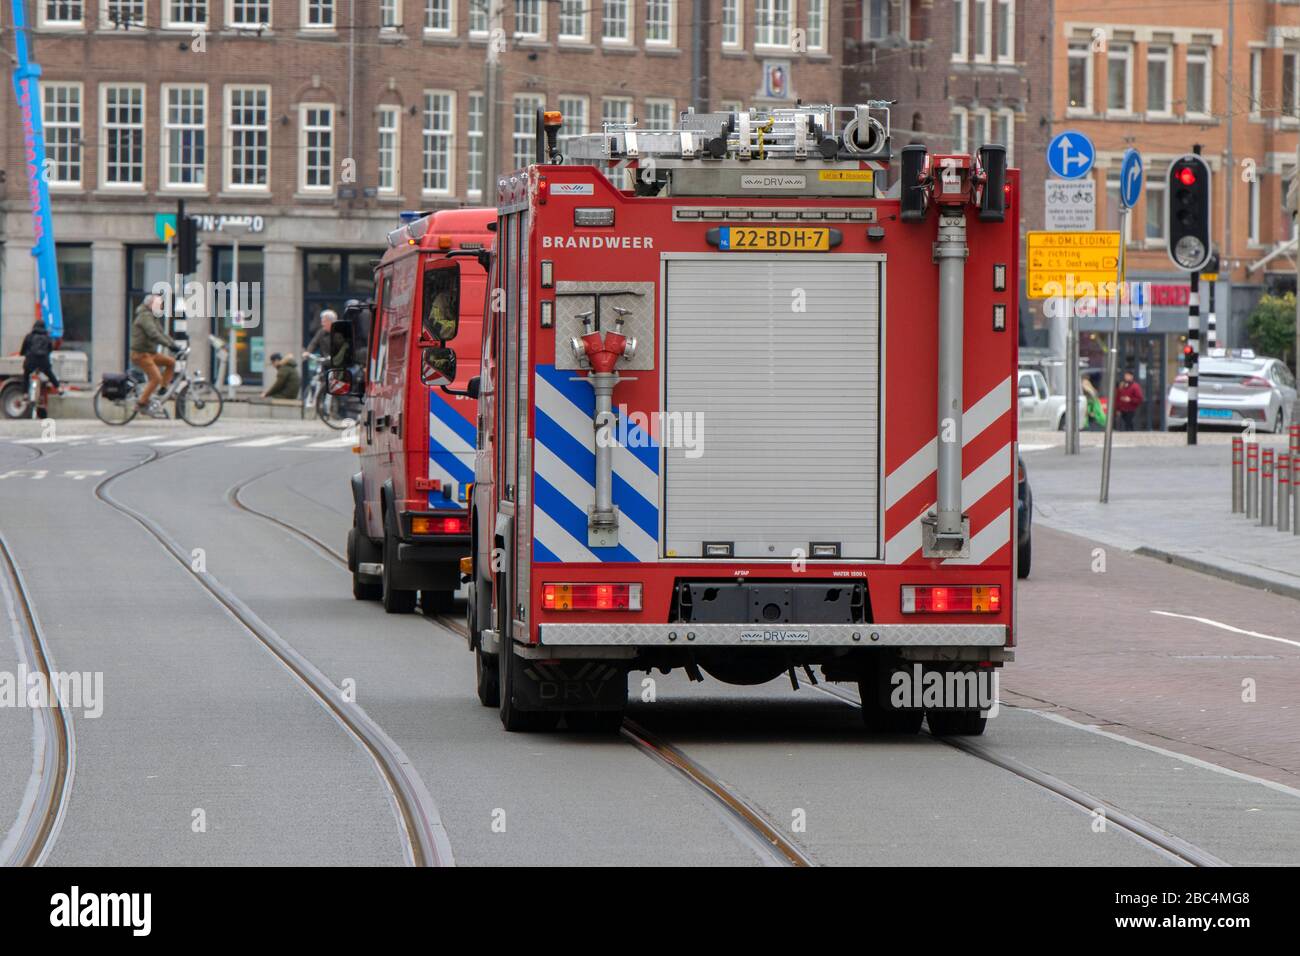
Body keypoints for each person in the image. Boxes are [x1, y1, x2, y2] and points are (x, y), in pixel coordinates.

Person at [129, 294, 178, 417]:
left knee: (171, 362)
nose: (160, 306)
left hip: (150, 353)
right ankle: (141, 403)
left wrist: (174, 345)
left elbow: (162, 333)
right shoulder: (144, 316)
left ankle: (163, 389)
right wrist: (169, 345)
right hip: (140, 354)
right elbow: (153, 334)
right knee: (155, 378)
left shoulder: (153, 317)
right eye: (158, 304)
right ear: (150, 304)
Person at [19, 319, 65, 395]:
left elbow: (23, 349)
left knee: (26, 375)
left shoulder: (29, 336)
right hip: (43, 361)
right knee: (49, 374)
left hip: (31, 361)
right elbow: (50, 349)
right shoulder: (47, 337)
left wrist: (22, 354)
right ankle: (58, 388)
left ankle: (25, 394)